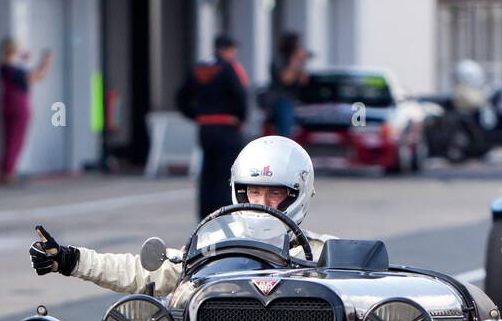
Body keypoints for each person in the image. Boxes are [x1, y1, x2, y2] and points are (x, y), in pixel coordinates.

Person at [29, 136, 329, 297]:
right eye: (253, 192)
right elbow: (143, 273)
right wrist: (71, 260)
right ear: (240, 192)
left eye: (274, 194)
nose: (262, 203)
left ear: (296, 193)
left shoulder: (326, 254)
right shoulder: (214, 248)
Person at [176, 34, 249, 219]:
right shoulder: (229, 68)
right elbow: (241, 96)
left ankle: (205, 215)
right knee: (226, 174)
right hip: (227, 127)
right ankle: (224, 213)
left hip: (206, 129)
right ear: (229, 49)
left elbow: (181, 98)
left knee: (208, 173)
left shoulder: (200, 68)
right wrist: (241, 118)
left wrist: (197, 115)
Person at [0, 39, 53, 183]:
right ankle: (8, 172)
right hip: (19, 103)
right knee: (17, 139)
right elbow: (36, 76)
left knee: (10, 138)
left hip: (7, 102)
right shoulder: (15, 69)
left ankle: (5, 170)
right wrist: (45, 63)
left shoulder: (5, 67)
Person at [263, 32, 310, 137]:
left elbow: (304, 80)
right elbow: (286, 79)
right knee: (284, 132)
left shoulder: (296, 61)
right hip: (280, 99)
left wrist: (301, 63)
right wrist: (294, 61)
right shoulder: (279, 59)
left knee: (290, 129)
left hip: (292, 99)